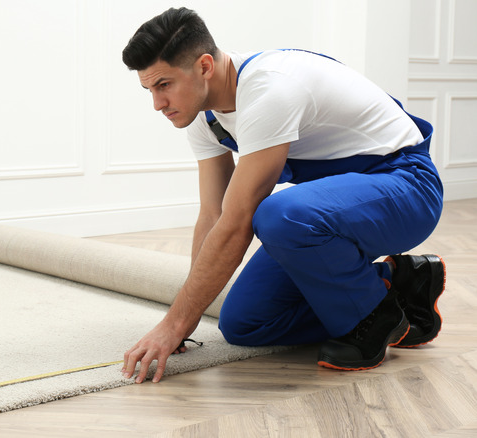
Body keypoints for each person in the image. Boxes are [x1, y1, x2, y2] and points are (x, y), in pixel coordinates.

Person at [120, 7, 446, 383]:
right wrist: (183, 320)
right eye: (149, 90)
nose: (158, 104)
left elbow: (237, 222)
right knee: (245, 323)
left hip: (407, 188)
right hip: (337, 210)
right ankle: (399, 282)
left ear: (205, 66)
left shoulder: (270, 90)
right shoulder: (205, 116)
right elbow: (213, 215)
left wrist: (174, 324)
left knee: (278, 214)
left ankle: (374, 320)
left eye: (164, 85)